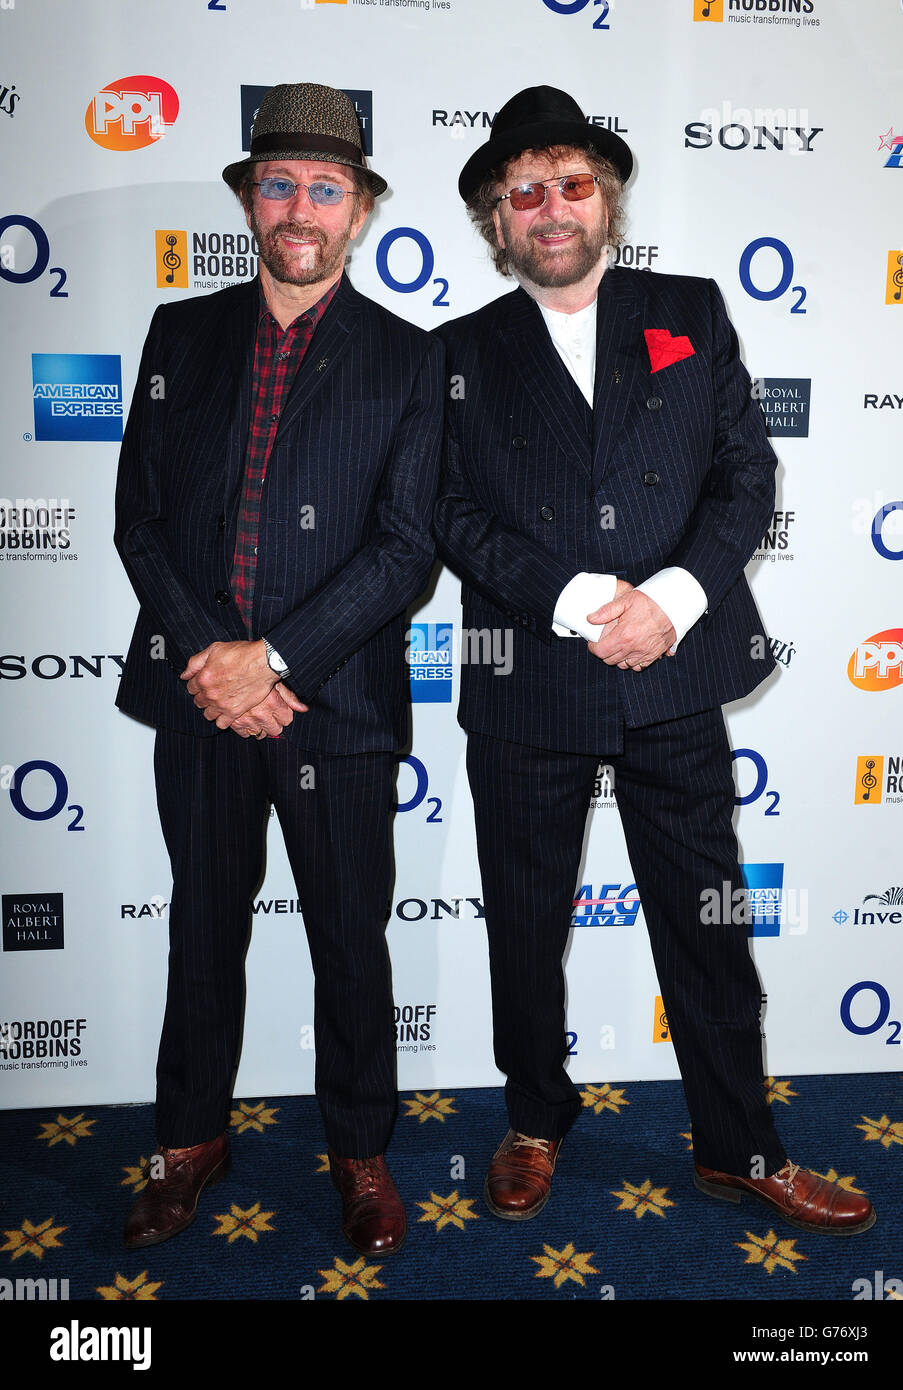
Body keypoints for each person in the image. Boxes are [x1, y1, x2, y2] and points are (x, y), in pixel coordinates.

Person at [433, 86, 874, 1235]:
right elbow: (449, 514)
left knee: (708, 921)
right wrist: (581, 600)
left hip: (674, 674)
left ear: (607, 198)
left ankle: (743, 1147)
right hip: (530, 678)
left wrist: (673, 601)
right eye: (524, 191)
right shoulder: (454, 353)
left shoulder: (689, 308)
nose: (551, 206)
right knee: (524, 925)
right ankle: (534, 1118)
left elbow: (745, 476)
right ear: (496, 220)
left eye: (572, 182)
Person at [114, 82, 443, 1256]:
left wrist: (277, 658)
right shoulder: (178, 333)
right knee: (201, 927)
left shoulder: (411, 361)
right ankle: (189, 1140)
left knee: (350, 937)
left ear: (358, 212)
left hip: (336, 704)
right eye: (280, 183)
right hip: (197, 698)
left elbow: (408, 545)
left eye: (326, 188)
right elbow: (139, 521)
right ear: (252, 200)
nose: (300, 207)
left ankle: (359, 1151)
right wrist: (218, 661)